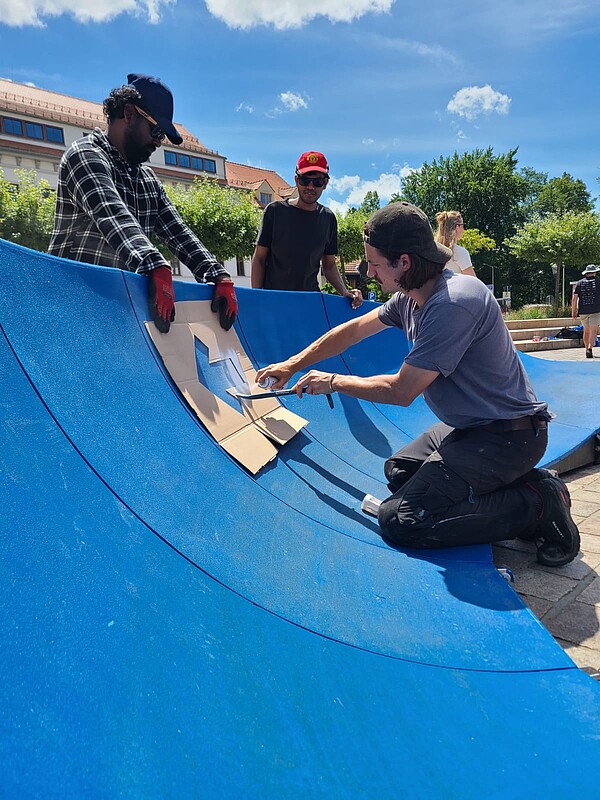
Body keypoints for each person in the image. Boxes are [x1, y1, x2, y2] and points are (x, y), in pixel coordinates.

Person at [256, 201, 580, 567]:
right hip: (470, 428)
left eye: (375, 264)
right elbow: (353, 330)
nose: (369, 272)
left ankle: (537, 503)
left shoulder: (454, 302)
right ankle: (509, 488)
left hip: (508, 438)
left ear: (404, 262)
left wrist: (333, 381)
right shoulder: (410, 296)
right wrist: (292, 363)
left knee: (404, 522)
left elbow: (401, 390)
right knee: (400, 472)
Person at [49, 73, 237, 334]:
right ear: (129, 113)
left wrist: (217, 274)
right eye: (156, 131)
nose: (158, 143)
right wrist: (156, 265)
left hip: (118, 314)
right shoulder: (84, 155)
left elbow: (179, 232)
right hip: (69, 308)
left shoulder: (146, 179)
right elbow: (112, 215)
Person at [251, 151, 363, 308]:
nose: (310, 187)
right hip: (274, 300)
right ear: (296, 180)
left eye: (317, 182)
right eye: (305, 180)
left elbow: (329, 265)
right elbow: (259, 258)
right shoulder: (274, 211)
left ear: (325, 183)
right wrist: (257, 297)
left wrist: (344, 291)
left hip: (309, 302)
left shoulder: (328, 218)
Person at [435, 210, 477, 277]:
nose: (463, 229)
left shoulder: (433, 249)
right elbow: (473, 281)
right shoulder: (460, 252)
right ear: (457, 227)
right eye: (463, 225)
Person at [572, 265, 600, 358]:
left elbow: (574, 298)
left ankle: (586, 349)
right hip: (596, 310)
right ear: (594, 272)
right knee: (593, 331)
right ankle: (590, 348)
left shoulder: (579, 283)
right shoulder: (598, 281)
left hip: (583, 310)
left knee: (586, 331)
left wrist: (573, 311)